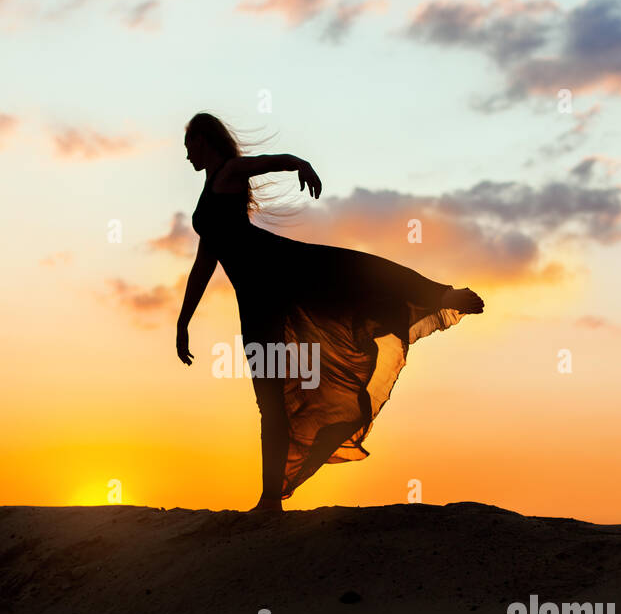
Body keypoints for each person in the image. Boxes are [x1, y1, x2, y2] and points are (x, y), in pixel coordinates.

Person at [175, 112, 484, 512]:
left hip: (277, 267)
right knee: (269, 398)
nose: (186, 156)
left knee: (349, 273)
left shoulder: (232, 170)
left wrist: (300, 165)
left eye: (189, 146)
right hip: (255, 300)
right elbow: (205, 261)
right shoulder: (208, 190)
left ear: (205, 140)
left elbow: (269, 161)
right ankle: (271, 499)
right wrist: (184, 321)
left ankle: (441, 296)